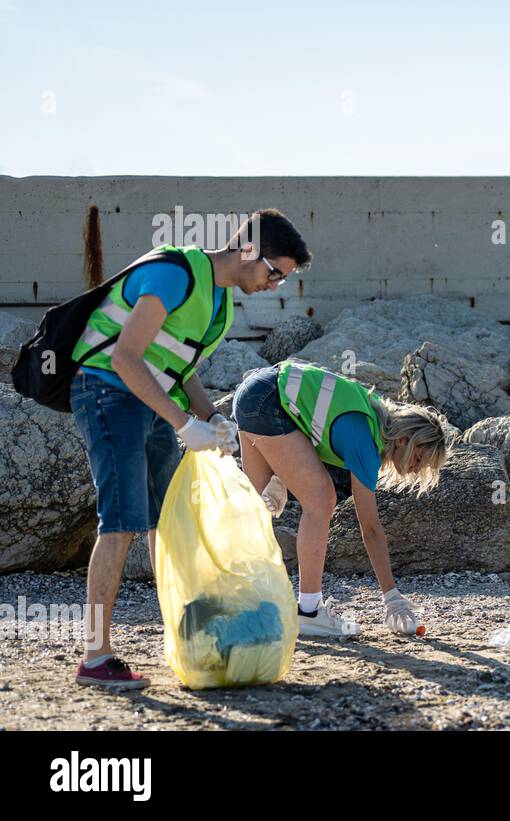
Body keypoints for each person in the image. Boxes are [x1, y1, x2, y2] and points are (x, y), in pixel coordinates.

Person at [70, 209, 311, 689]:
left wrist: (212, 416)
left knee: (166, 522)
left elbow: (178, 366)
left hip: (154, 399)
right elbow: (125, 357)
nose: (275, 284)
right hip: (106, 391)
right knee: (121, 524)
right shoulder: (173, 273)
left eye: (283, 278)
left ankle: (184, 638)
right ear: (248, 251)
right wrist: (183, 423)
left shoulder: (219, 303)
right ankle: (95, 658)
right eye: (275, 272)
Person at [232, 360, 451, 637]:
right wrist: (391, 596)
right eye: (419, 459)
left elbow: (312, 423)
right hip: (269, 401)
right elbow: (369, 528)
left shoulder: (371, 411)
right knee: (322, 500)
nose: (415, 470)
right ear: (404, 440)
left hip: (256, 391)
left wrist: (279, 475)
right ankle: (310, 611)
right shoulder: (366, 443)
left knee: (250, 509)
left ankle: (229, 596)